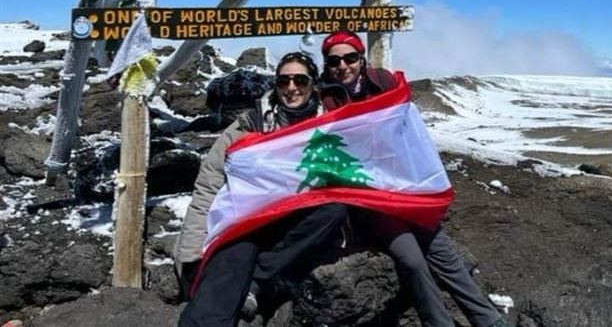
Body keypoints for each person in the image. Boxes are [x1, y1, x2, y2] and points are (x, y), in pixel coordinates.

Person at [319, 31, 507, 327]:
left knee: (443, 251)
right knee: (412, 259)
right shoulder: (323, 97)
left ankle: (490, 320)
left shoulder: (383, 82)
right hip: (366, 200)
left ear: (361, 58)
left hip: (403, 189)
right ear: (327, 64)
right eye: (334, 60)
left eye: (350, 58)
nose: (343, 66)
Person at [175, 51, 348, 327]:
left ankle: (255, 281)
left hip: (295, 223)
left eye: (300, 80)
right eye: (284, 81)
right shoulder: (247, 126)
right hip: (246, 222)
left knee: (333, 208)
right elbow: (209, 186)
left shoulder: (328, 129)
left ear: (313, 84)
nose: (292, 88)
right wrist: (192, 254)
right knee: (233, 259)